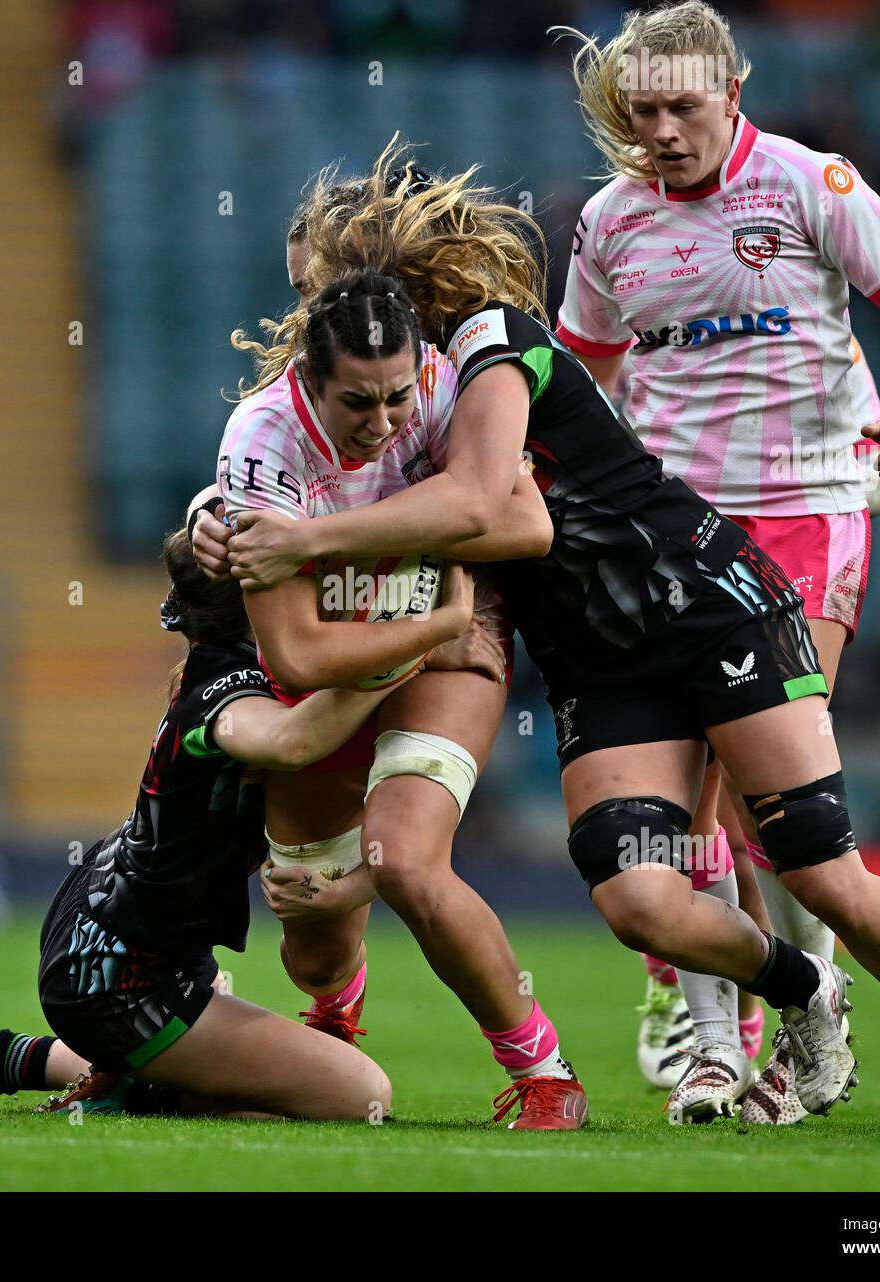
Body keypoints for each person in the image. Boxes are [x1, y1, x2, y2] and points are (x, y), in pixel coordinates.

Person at [224, 138, 880, 1138]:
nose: (309, 313)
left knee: (811, 864)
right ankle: (802, 985)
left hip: (701, 603)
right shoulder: (397, 401)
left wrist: (304, 537)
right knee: (641, 892)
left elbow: (495, 511)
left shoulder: (487, 341)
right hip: (598, 659)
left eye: (320, 288)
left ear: (384, 284)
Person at [551, 0, 880, 1122]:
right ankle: (747, 1030)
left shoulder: (806, 183)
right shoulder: (608, 224)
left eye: (683, 106)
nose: (663, 130)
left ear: (734, 92)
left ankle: (791, 1015)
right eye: (643, 112)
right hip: (677, 528)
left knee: (758, 791)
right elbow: (582, 373)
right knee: (711, 803)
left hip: (811, 503)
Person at [0, 523, 477, 1120]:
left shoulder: (233, 665)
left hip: (119, 933)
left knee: (236, 1041)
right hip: (116, 975)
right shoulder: (226, 692)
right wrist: (421, 638)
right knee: (359, 1097)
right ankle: (120, 1081)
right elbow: (295, 741)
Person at [205, 248, 588, 1129]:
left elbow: (527, 524)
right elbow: (297, 656)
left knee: (405, 859)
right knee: (312, 936)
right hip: (388, 651)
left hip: (445, 659)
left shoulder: (451, 389)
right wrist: (429, 629)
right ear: (309, 379)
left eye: (397, 397)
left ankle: (546, 1075)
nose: (383, 424)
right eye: (356, 402)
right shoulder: (261, 443)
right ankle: (333, 1017)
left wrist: (317, 541)